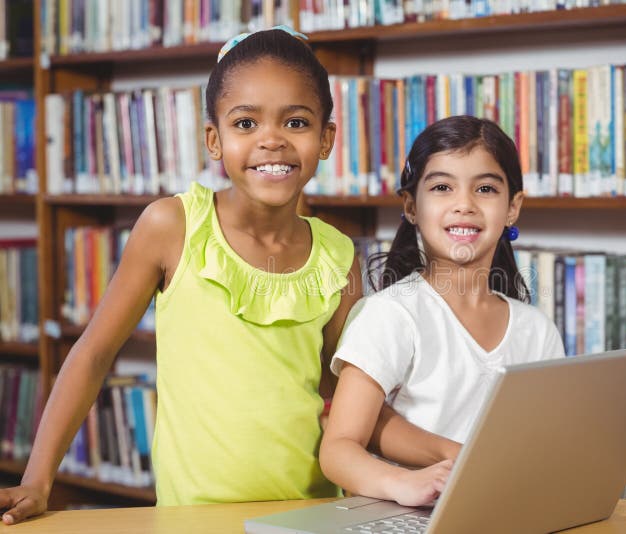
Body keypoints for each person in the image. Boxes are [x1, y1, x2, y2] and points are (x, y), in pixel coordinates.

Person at [0, 28, 362, 524]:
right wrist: (38, 481)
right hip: (193, 517)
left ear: (326, 139)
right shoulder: (172, 227)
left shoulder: (338, 256)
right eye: (246, 122)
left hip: (312, 511)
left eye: (296, 122)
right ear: (214, 139)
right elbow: (93, 353)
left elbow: (352, 397)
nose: (271, 139)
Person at [319, 115, 566, 507]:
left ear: (513, 207)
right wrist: (403, 483)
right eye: (441, 187)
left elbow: (545, 445)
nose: (464, 204)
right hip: (412, 515)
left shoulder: (537, 331)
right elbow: (338, 449)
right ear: (411, 206)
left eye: (485, 188)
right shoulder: (390, 314)